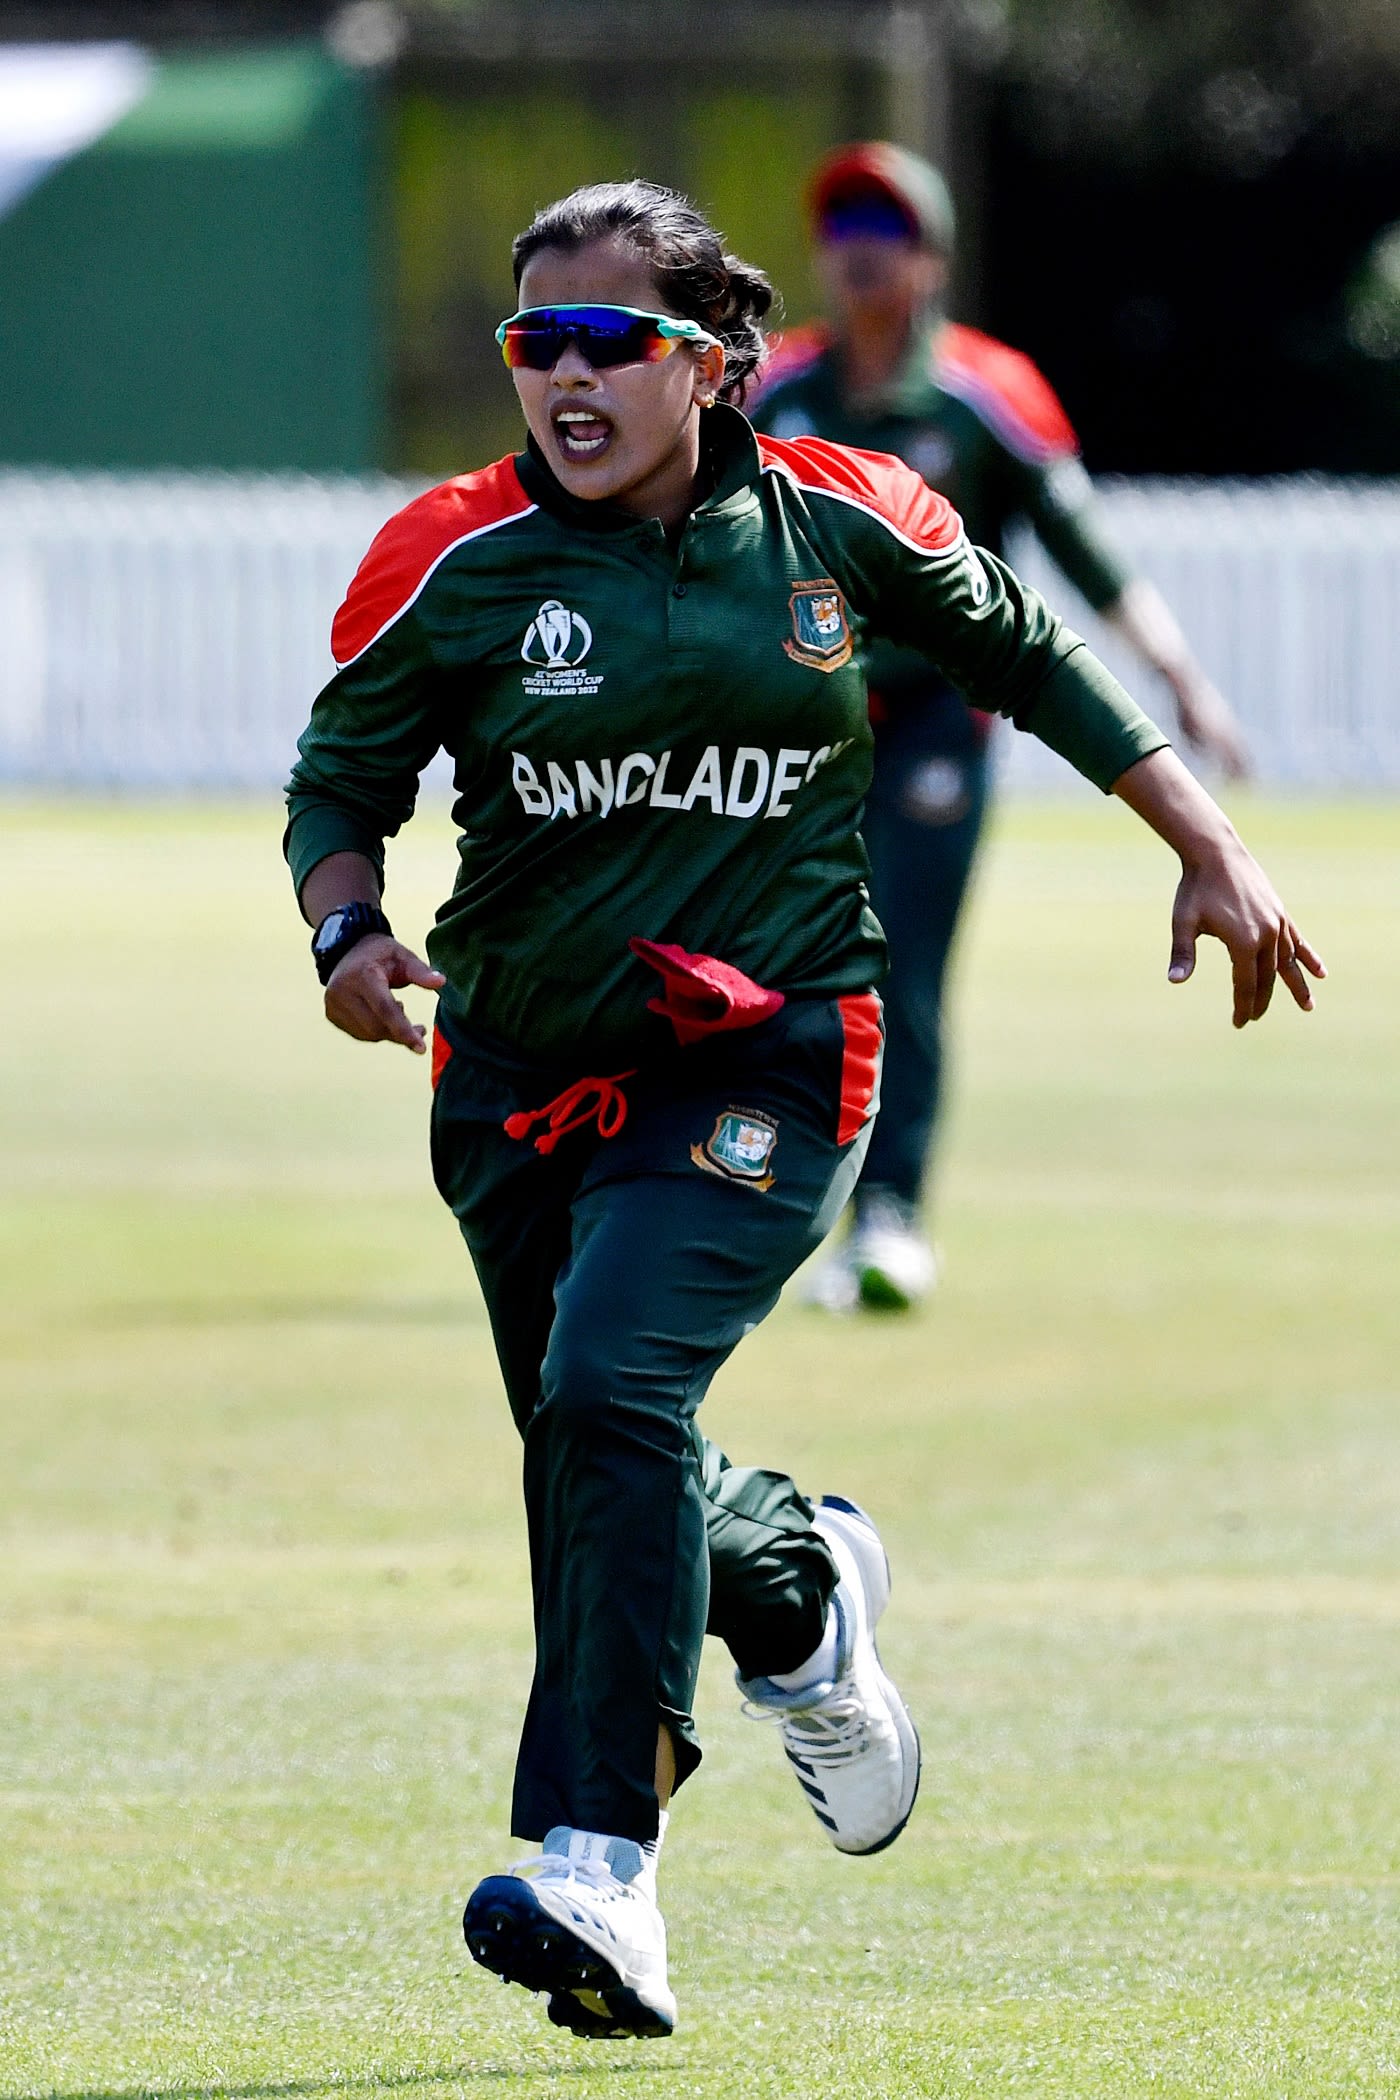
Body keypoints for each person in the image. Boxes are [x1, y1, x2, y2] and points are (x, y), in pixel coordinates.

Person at [283, 179, 1322, 2043]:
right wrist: (347, 927)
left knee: (608, 1397)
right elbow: (336, 774)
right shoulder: (448, 557)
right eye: (540, 343)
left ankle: (602, 1871)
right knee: (603, 1443)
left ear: (720, 360)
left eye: (619, 341)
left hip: (773, 1055)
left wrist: (1210, 846)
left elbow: (1029, 654)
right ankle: (794, 1589)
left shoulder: (846, 518)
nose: (570, 378)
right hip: (513, 1072)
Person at [750, 142, 1253, 1313]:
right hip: (795, 732)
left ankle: (891, 1217)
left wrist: (1179, 677)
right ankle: (767, 1206)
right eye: (839, 227)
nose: (857, 249)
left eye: (884, 226)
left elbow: (1085, 553)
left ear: (928, 258)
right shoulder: (778, 391)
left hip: (935, 724)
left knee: (902, 967)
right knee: (776, 972)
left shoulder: (986, 389)